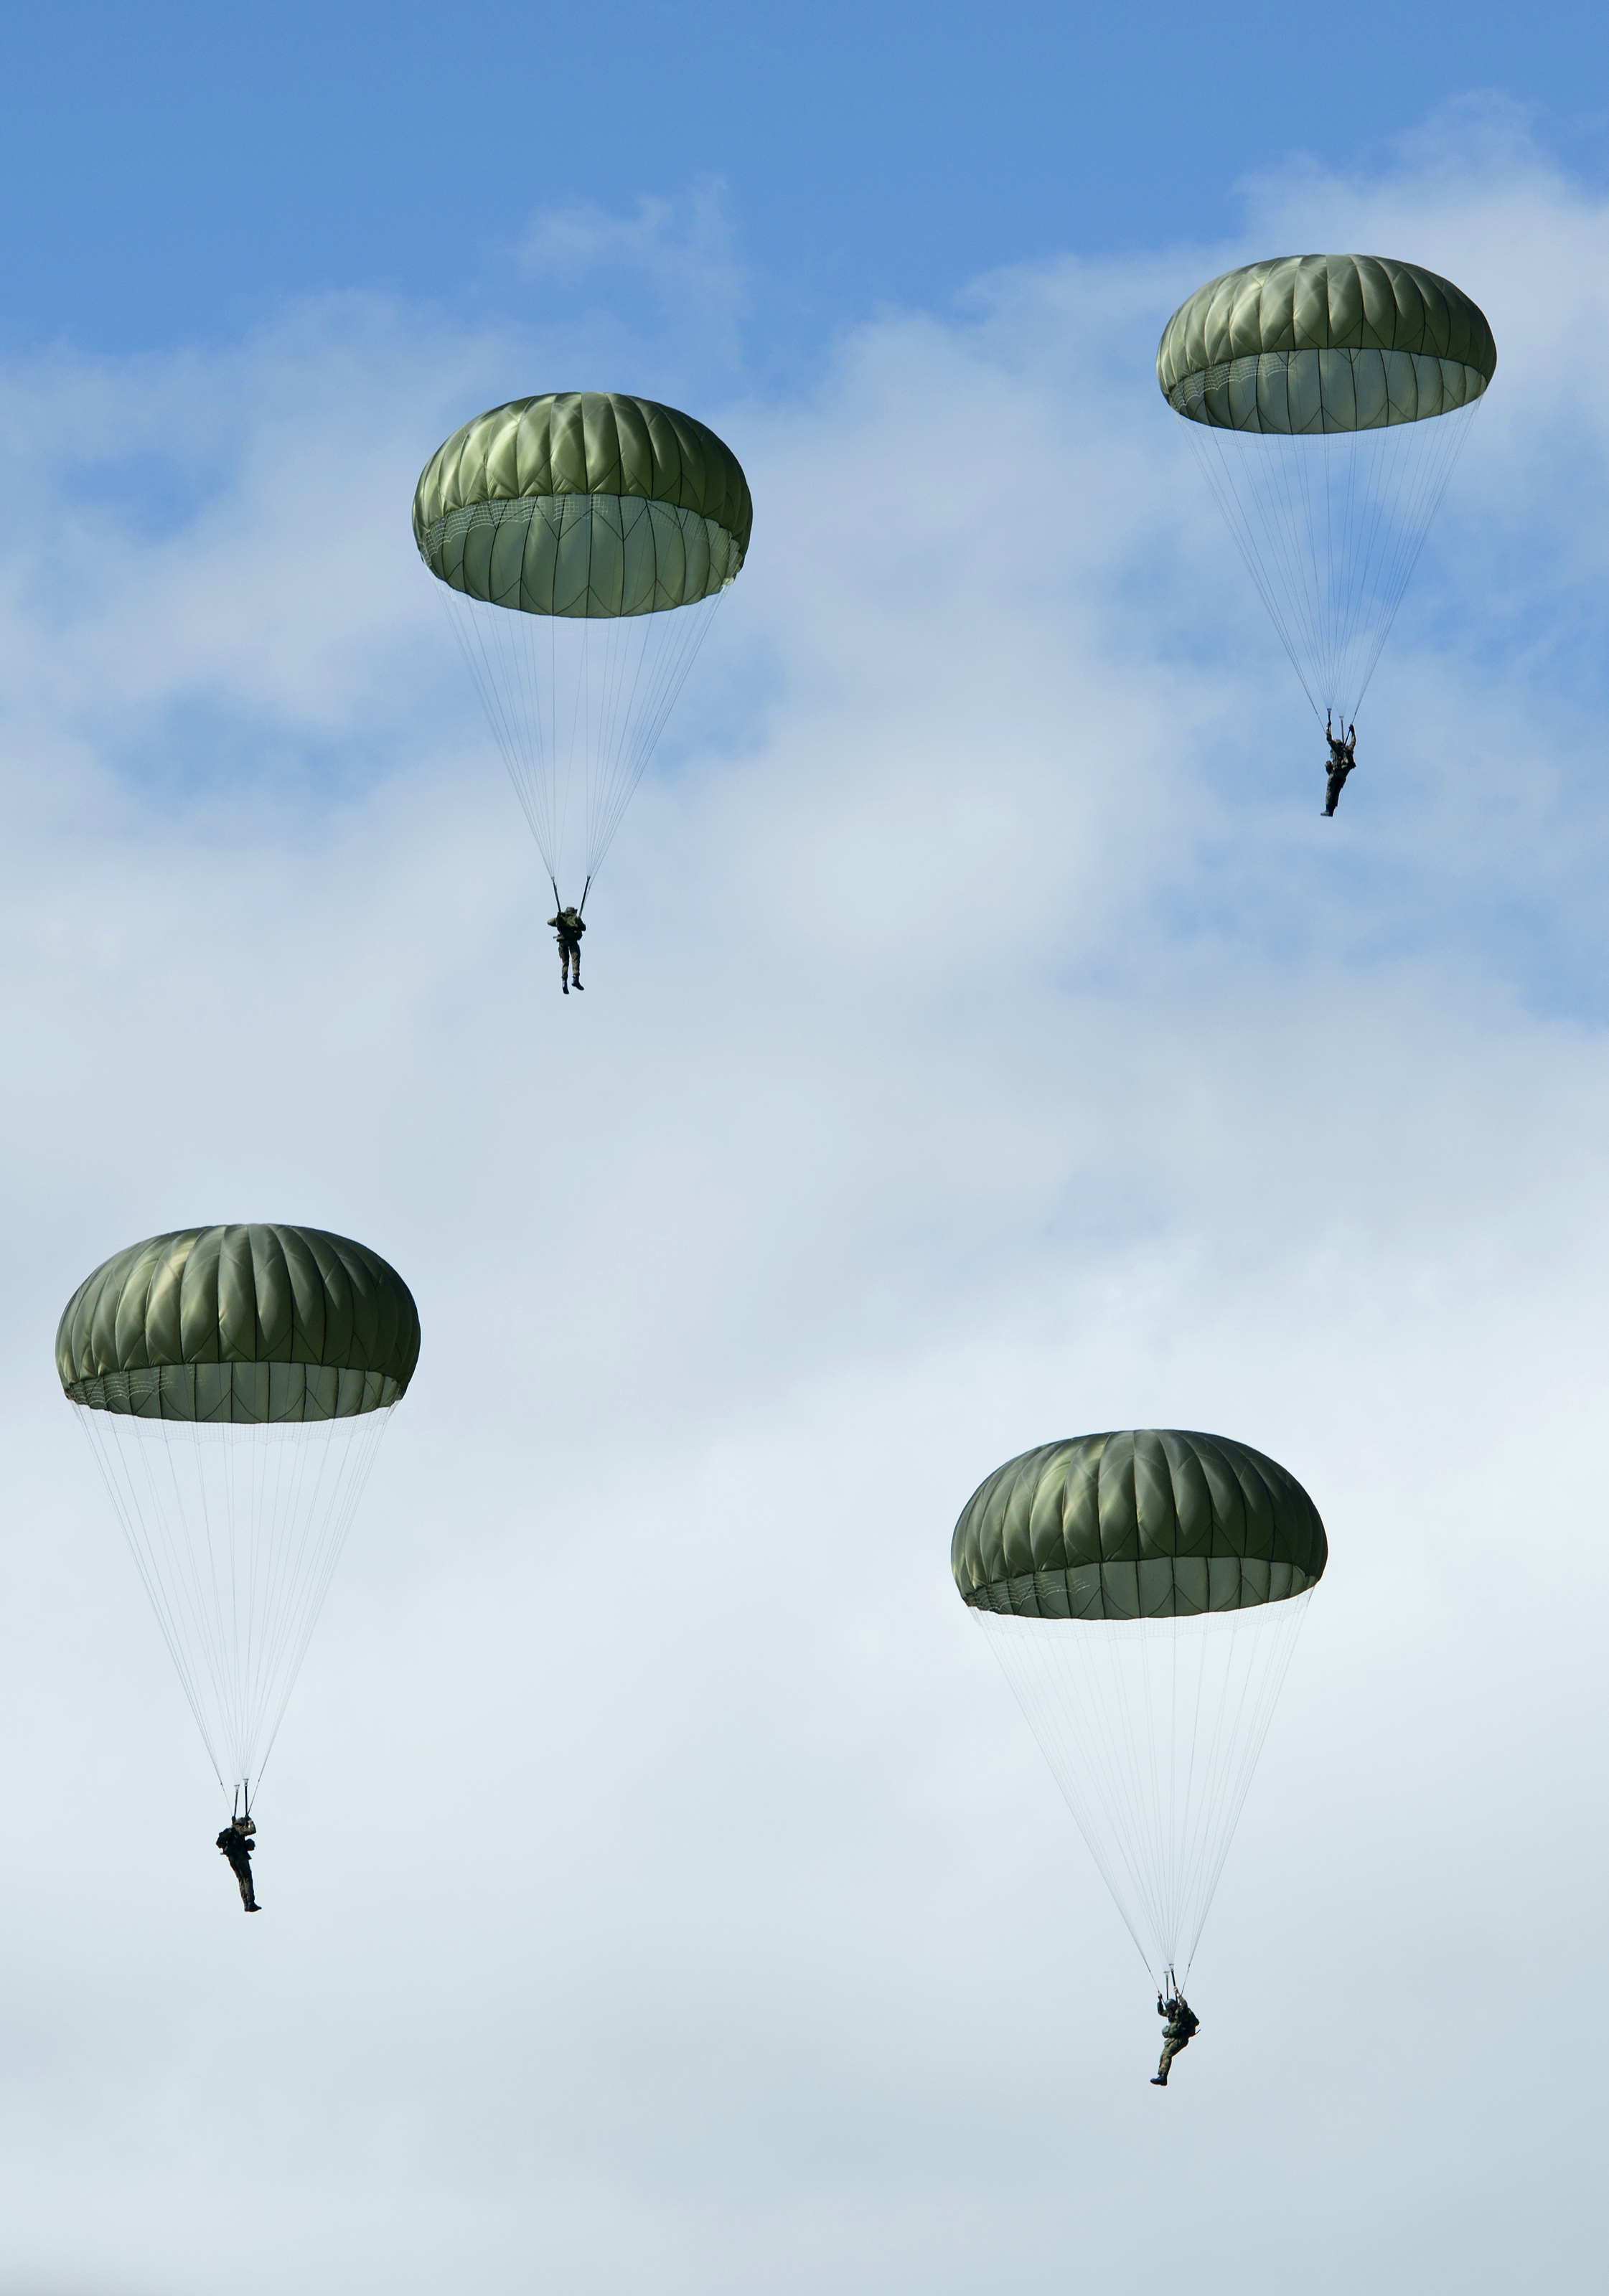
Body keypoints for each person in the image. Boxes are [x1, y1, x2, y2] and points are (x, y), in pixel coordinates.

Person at [1150, 1987, 1198, 2085]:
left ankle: (1163, 2077)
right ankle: (1162, 2075)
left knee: (1168, 2053)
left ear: (1173, 2007)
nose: (1169, 2012)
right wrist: (1160, 2000)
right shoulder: (1171, 2013)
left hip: (1182, 2038)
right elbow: (1161, 2012)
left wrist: (1178, 1994)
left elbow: (1185, 2005)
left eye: (1170, 2010)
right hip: (1177, 2037)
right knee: (1164, 2053)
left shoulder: (1182, 2013)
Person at [217, 1812, 260, 1912]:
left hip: (232, 1859)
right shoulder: (239, 1829)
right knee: (247, 1878)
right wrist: (251, 1822)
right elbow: (252, 1830)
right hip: (241, 1858)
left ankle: (245, 1903)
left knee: (240, 1879)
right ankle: (251, 1902)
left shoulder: (231, 1830)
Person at [1323, 709, 1357, 817]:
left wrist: (1328, 728)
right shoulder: (1347, 750)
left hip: (1337, 773)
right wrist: (1353, 732)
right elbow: (1353, 742)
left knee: (1330, 789)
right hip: (1343, 776)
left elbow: (1329, 739)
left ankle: (1328, 809)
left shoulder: (1337, 749)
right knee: (1337, 792)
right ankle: (1332, 811)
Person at [548, 904, 586, 994]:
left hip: (563, 942)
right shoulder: (575, 920)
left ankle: (564, 982)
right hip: (573, 942)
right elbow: (584, 928)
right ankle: (575, 979)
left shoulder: (562, 919)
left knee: (565, 962)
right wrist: (579, 921)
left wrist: (559, 918)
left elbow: (549, 922)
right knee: (575, 959)